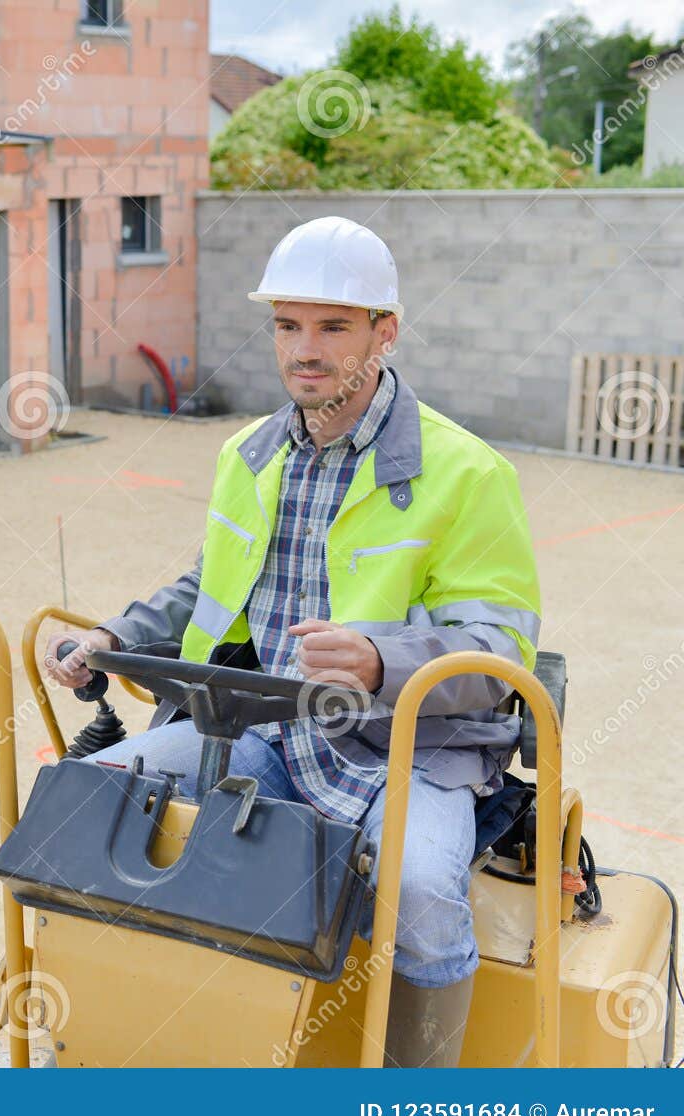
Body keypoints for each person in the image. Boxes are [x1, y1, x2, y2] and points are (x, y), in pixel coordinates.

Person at [45, 216, 541, 1067]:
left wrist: (383, 661)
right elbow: (207, 584)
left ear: (385, 332)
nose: (304, 350)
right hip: (262, 731)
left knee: (420, 890)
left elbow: (502, 649)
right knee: (83, 799)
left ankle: (419, 1104)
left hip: (405, 749)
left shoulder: (468, 472)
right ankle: (143, 1054)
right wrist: (116, 634)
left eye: (333, 326)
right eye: (287, 325)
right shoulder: (249, 454)